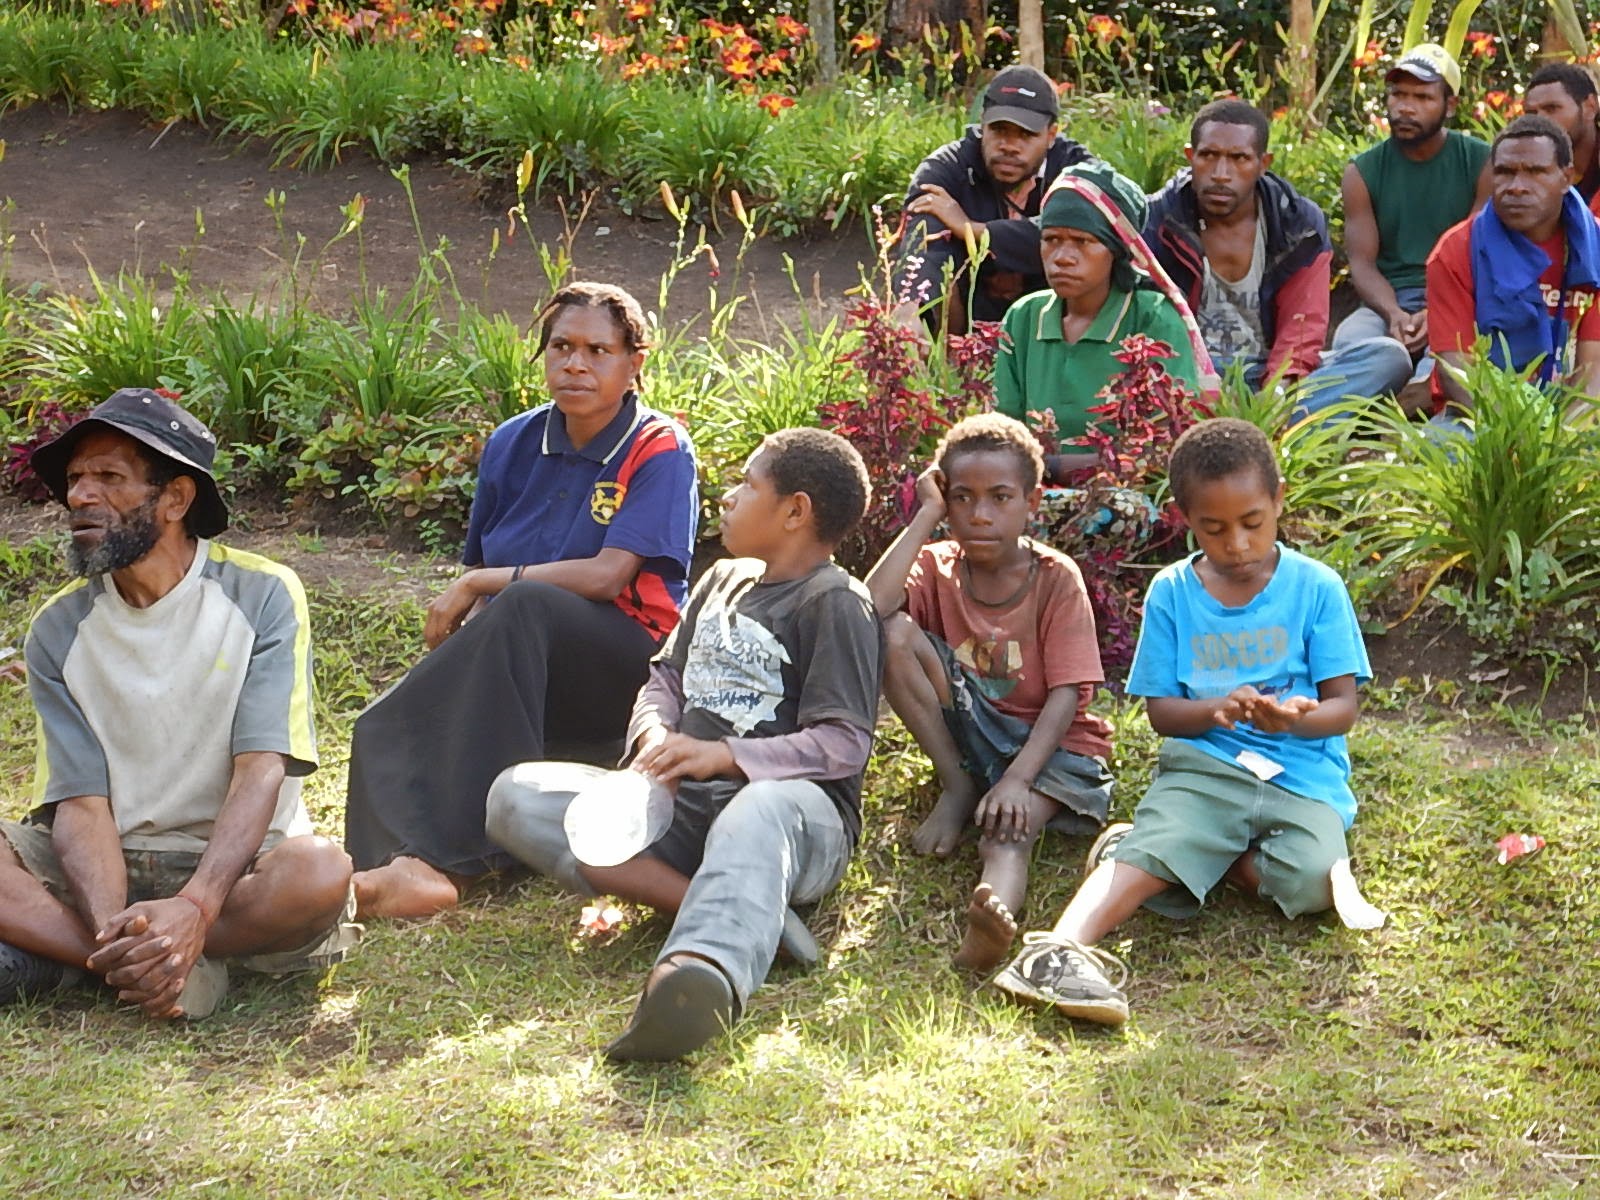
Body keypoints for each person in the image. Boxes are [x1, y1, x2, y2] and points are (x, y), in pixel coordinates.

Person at [485, 429, 884, 1062]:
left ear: (795, 511)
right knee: (516, 796)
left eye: (748, 484)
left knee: (759, 807)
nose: (729, 497)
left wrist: (726, 757)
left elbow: (843, 744)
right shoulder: (721, 578)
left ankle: (700, 972)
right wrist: (654, 738)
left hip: (790, 826)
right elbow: (666, 678)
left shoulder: (834, 602)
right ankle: (750, 916)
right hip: (682, 806)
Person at [989, 418, 1372, 1026]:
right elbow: (1162, 713)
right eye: (1214, 529)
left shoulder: (1318, 588)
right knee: (1162, 842)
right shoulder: (1172, 592)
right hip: (1208, 766)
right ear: (1186, 519)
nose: (1237, 544)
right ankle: (1057, 952)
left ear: (1278, 500)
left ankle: (1177, 858)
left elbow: (1342, 707)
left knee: (1315, 885)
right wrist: (1217, 710)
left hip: (1303, 777)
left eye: (1252, 523)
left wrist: (1294, 721)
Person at [345, 283, 698, 920]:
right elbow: (484, 564)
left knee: (522, 603)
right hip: (522, 646)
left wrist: (481, 586)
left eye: (597, 350)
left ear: (634, 363)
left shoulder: (658, 448)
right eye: (561, 347)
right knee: (390, 716)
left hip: (629, 664)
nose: (576, 364)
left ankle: (464, 858)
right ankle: (386, 866)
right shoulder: (513, 440)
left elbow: (608, 577)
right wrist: (461, 650)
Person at [0, 389, 356, 1019]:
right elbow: (81, 803)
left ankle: (134, 949)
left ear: (176, 498)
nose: (80, 496)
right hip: (102, 869)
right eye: (76, 479)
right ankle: (131, 961)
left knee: (321, 871)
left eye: (109, 478)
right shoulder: (57, 627)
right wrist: (112, 925)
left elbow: (261, 769)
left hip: (236, 872)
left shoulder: (264, 595)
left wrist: (196, 904)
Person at [865, 414, 1113, 974]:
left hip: (1051, 747)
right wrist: (925, 515)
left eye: (1000, 497)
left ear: (1031, 502)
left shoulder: (1055, 578)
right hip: (972, 730)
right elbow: (870, 608)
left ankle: (992, 919)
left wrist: (1018, 779)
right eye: (962, 498)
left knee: (1008, 830)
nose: (979, 515)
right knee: (892, 634)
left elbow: (1067, 695)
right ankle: (957, 786)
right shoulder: (936, 565)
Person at [1145, 98, 1412, 419]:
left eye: (1239, 158)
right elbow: (1146, 327)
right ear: (1191, 157)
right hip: (1188, 376)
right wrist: (1201, 387)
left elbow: (1301, 329)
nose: (1221, 173)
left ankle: (1257, 429)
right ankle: (1276, 434)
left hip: (1268, 375)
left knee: (1387, 357)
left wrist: (1275, 396)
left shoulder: (1298, 224)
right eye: (1208, 156)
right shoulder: (1157, 220)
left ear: (1263, 163)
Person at [994, 159, 1209, 484]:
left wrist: (1050, 466)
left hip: (1122, 494)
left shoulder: (1151, 319)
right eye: (1051, 239)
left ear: (1115, 249)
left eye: (1082, 241)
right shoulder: (1024, 318)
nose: (1062, 257)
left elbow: (1163, 446)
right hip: (1027, 491)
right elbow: (1002, 430)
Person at [1334, 43, 1492, 406]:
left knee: (1450, 362)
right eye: (1399, 94)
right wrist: (1394, 315)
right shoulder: (1362, 171)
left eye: (1422, 97)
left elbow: (1479, 253)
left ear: (1450, 106)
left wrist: (1436, 314)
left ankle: (1405, 401)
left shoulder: (1482, 162)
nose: (1406, 107)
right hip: (1388, 300)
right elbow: (1362, 264)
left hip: (1460, 297)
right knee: (1352, 342)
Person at [893, 65, 1094, 334]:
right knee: (931, 279)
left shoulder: (1077, 169)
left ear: (1051, 135)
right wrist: (910, 315)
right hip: (970, 314)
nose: (1009, 145)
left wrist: (973, 230)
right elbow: (922, 252)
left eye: (1026, 134)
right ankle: (943, 357)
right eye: (999, 130)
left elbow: (1086, 232)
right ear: (982, 125)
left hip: (1055, 312)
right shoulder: (946, 170)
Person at [1426, 114, 1600, 415]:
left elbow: (1594, 372)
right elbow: (1457, 369)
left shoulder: (1595, 245)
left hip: (1574, 413)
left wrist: (1560, 436)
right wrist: (1516, 437)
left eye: (1535, 172)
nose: (1516, 187)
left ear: (1566, 178)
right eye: (1504, 172)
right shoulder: (1455, 249)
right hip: (1476, 414)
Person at [1522, 62, 1600, 209]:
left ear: (1590, 107)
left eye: (1551, 108)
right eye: (1531, 113)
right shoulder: (1522, 176)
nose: (1539, 121)